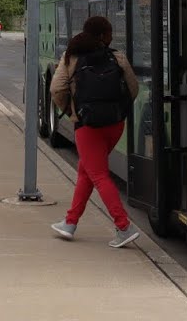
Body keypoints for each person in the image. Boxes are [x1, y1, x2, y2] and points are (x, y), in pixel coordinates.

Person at [49, 16, 142, 248]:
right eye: (109, 32)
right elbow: (133, 88)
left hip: (88, 126)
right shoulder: (117, 57)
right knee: (86, 171)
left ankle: (124, 226)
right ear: (102, 35)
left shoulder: (71, 57)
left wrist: (72, 112)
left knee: (98, 175)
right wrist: (118, 110)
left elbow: (56, 89)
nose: (111, 37)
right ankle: (70, 222)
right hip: (115, 125)